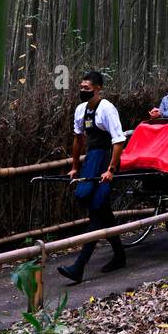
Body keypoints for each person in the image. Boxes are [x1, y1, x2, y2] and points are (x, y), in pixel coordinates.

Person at [58, 71, 126, 284]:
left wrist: (111, 169)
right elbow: (78, 139)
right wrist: (75, 166)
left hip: (107, 158)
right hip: (92, 159)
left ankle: (79, 265)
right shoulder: (81, 110)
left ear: (98, 89)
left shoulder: (107, 108)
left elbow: (118, 141)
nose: (82, 91)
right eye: (81, 88)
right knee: (92, 201)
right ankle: (120, 255)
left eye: (87, 88)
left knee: (97, 206)